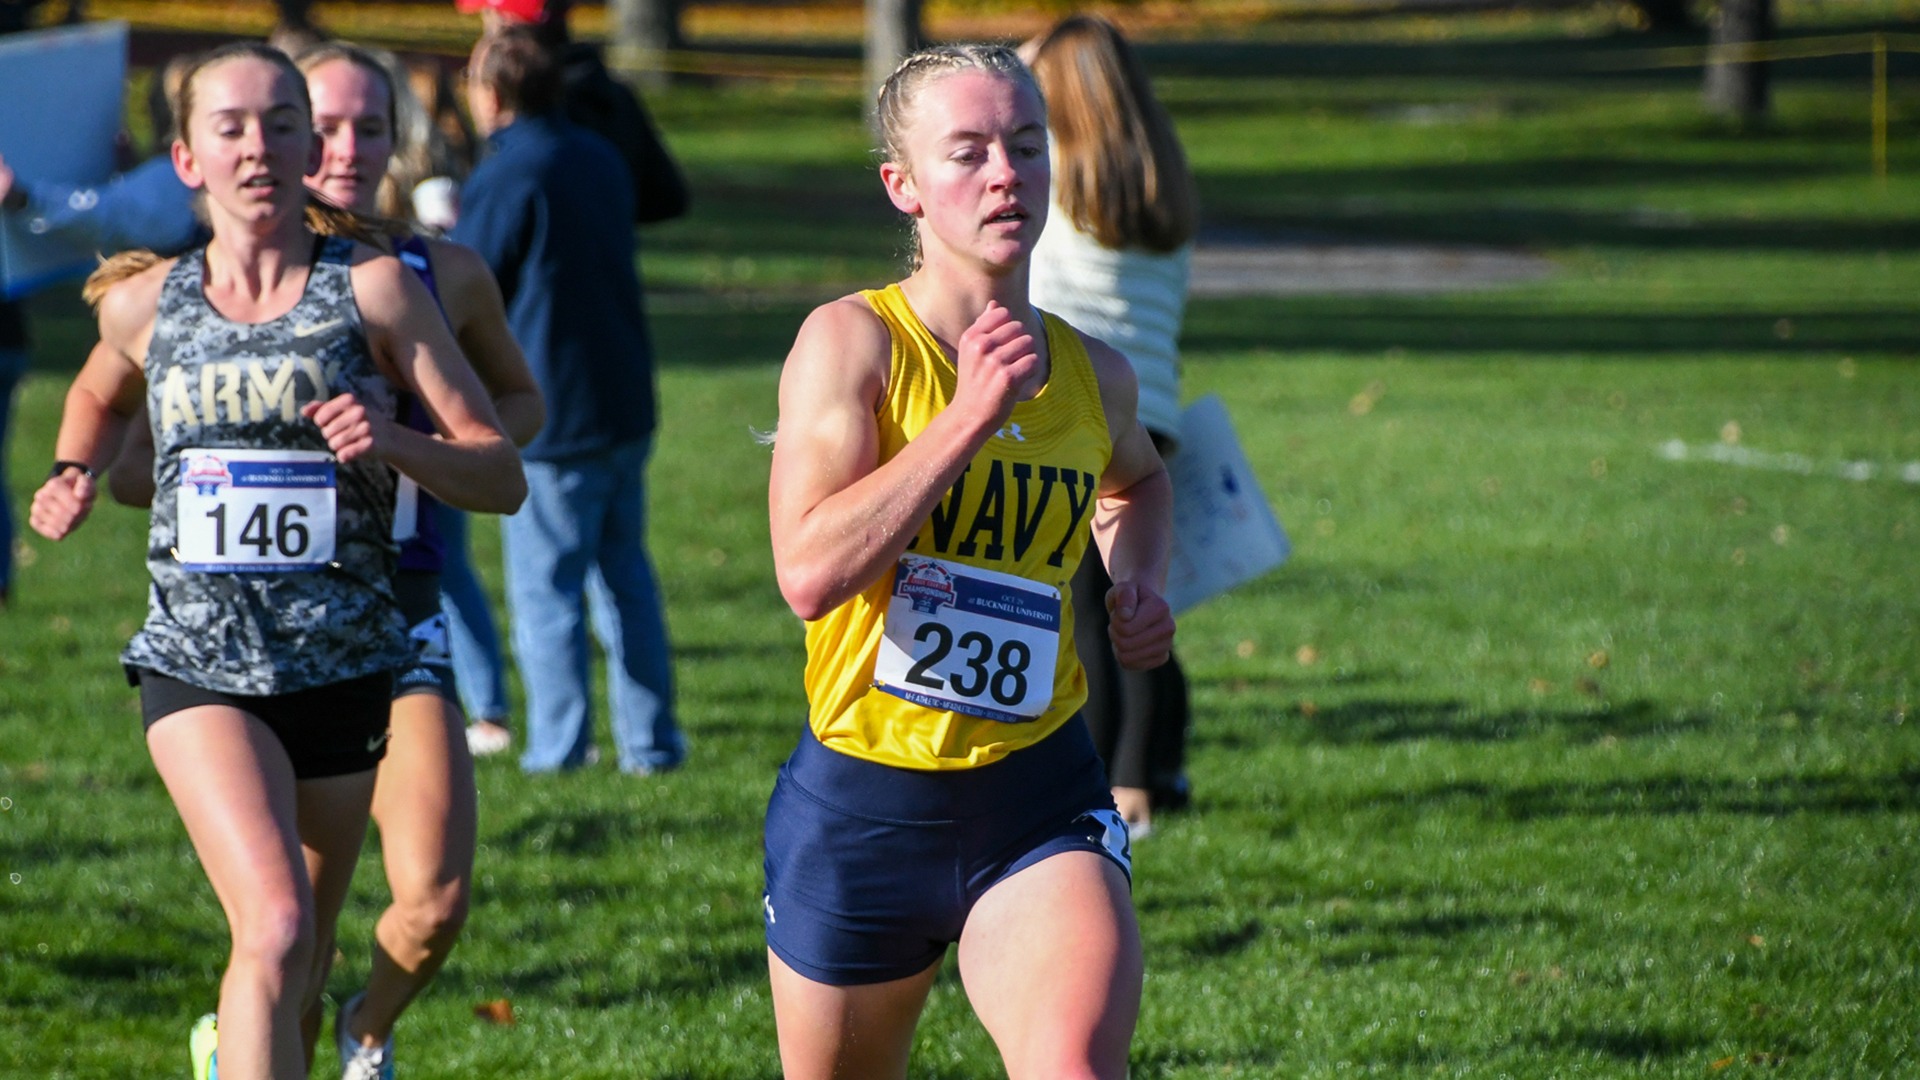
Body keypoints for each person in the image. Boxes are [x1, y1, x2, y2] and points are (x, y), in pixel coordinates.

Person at [26, 42, 524, 1080]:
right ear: (186, 160)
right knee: (277, 925)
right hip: (198, 663)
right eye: (232, 127)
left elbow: (498, 469)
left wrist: (394, 442)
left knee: (303, 956)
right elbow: (94, 387)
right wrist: (76, 468)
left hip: (345, 666)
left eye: (281, 123)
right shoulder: (146, 301)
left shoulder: (382, 291)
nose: (260, 146)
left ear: (311, 146)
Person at [761, 44, 1176, 1080]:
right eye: (970, 152)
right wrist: (963, 421)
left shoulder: (1094, 374)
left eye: (1027, 147)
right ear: (902, 185)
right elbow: (809, 575)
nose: (1006, 174)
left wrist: (1135, 581)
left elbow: (1137, 485)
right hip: (864, 805)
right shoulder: (852, 343)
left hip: (1036, 796)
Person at [452, 25, 684, 775]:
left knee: (548, 592)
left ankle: (558, 750)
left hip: (554, 407)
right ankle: (652, 746)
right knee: (628, 581)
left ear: (493, 95)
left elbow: (470, 279)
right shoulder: (599, 153)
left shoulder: (509, 172)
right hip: (623, 395)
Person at [1023, 14, 1199, 840]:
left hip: (1085, 398)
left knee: (1090, 609)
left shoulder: (1052, 173)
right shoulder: (1160, 180)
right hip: (1152, 408)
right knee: (1143, 597)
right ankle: (1158, 763)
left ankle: (1116, 783)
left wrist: (1022, 62)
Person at [453, 0, 688, 226]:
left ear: (507, 22)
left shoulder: (526, 111)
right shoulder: (612, 94)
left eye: (488, 17)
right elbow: (666, 198)